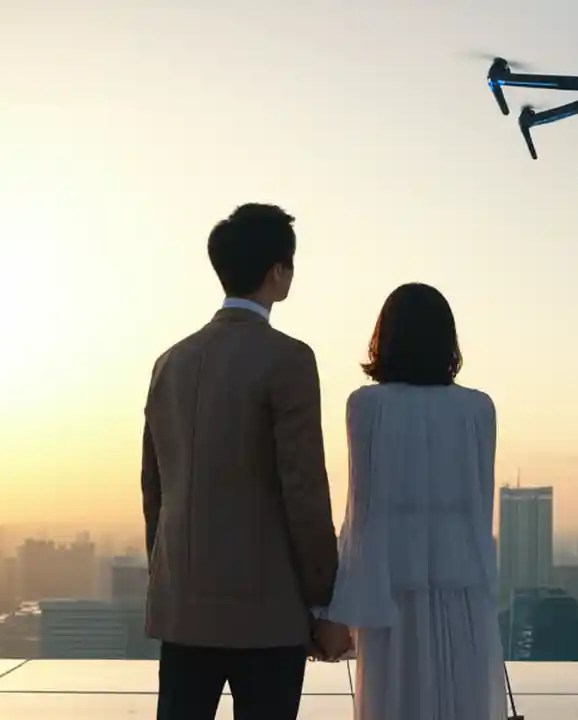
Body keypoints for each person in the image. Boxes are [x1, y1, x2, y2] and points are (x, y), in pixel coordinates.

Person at [141, 203, 352, 720]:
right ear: (278, 272)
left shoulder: (170, 361)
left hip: (184, 607)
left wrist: (170, 580)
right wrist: (326, 599)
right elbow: (302, 488)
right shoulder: (289, 359)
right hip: (268, 613)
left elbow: (155, 490)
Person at [318, 283, 507, 719]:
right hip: (463, 594)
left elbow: (361, 518)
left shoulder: (367, 406)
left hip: (390, 599)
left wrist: (335, 610)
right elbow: (481, 512)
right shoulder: (479, 410)